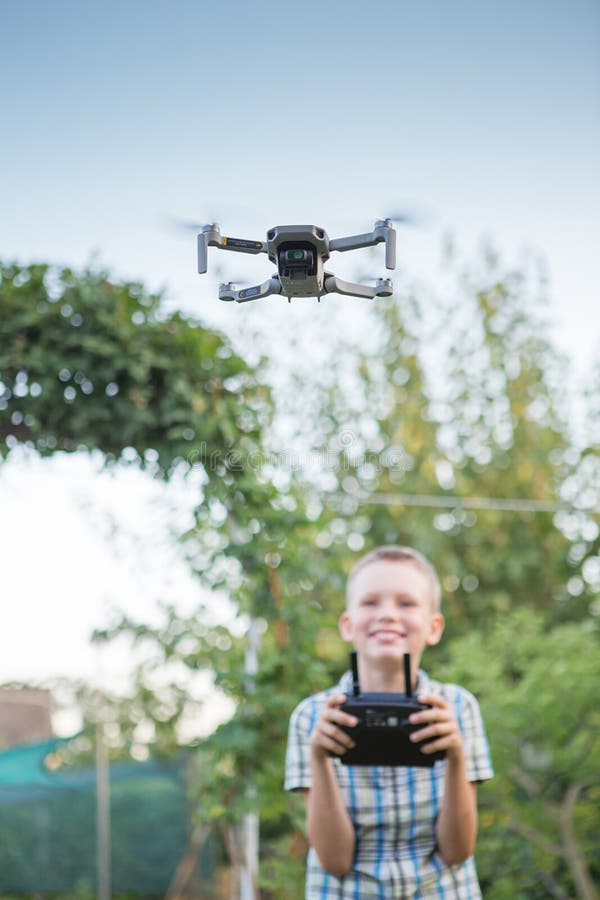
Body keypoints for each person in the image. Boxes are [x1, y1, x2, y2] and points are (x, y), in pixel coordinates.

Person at [285, 545, 493, 898]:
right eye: (370, 602)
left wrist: (456, 755)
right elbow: (334, 860)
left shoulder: (458, 708)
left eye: (406, 603)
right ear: (347, 625)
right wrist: (319, 757)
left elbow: (457, 850)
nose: (387, 615)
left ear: (434, 627)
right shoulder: (312, 718)